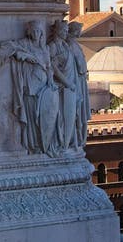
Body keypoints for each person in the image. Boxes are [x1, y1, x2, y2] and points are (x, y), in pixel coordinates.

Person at [0, 20, 59, 155]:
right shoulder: (24, 44)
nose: (36, 33)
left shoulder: (44, 49)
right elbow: (9, 47)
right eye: (33, 31)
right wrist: (27, 56)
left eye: (38, 31)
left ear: (41, 33)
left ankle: (44, 144)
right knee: (32, 117)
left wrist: (51, 80)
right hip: (30, 87)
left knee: (42, 116)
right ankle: (33, 144)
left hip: (44, 88)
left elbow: (48, 67)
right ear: (29, 32)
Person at [48, 19, 77, 151]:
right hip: (62, 88)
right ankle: (61, 143)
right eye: (64, 31)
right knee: (62, 117)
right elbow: (52, 67)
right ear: (58, 31)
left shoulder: (65, 45)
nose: (66, 33)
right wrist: (67, 82)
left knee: (70, 117)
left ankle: (66, 143)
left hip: (70, 88)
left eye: (67, 30)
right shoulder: (53, 46)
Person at [67, 22, 90, 147]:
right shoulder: (70, 44)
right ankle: (77, 139)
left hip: (80, 79)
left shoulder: (74, 44)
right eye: (79, 30)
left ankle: (80, 139)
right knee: (79, 111)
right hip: (76, 80)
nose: (80, 32)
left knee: (81, 112)